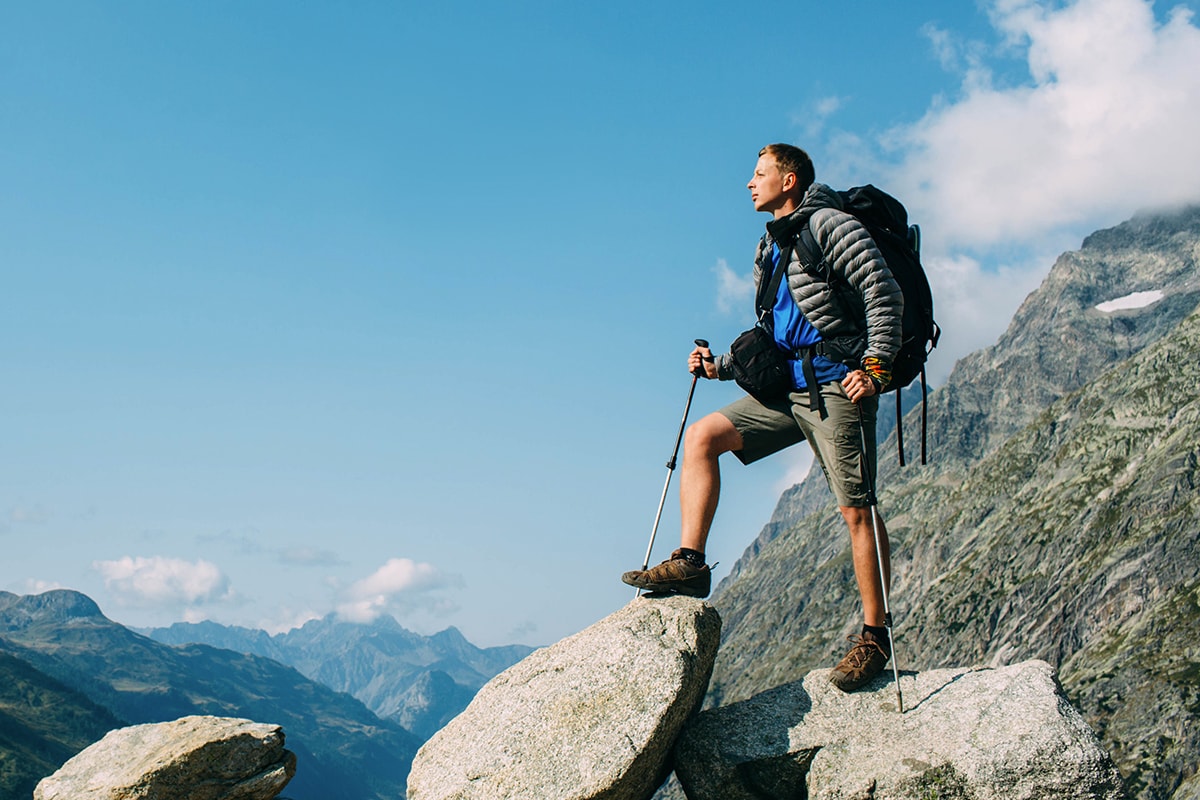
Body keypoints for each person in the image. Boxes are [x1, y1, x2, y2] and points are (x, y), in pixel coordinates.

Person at [621, 143, 903, 692]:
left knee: (857, 512)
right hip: (785, 390)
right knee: (704, 436)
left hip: (834, 388)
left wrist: (873, 368)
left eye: (759, 174)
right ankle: (690, 563)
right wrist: (720, 367)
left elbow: (882, 292)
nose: (750, 184)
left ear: (790, 179)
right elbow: (778, 336)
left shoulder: (830, 226)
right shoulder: (771, 243)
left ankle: (874, 636)